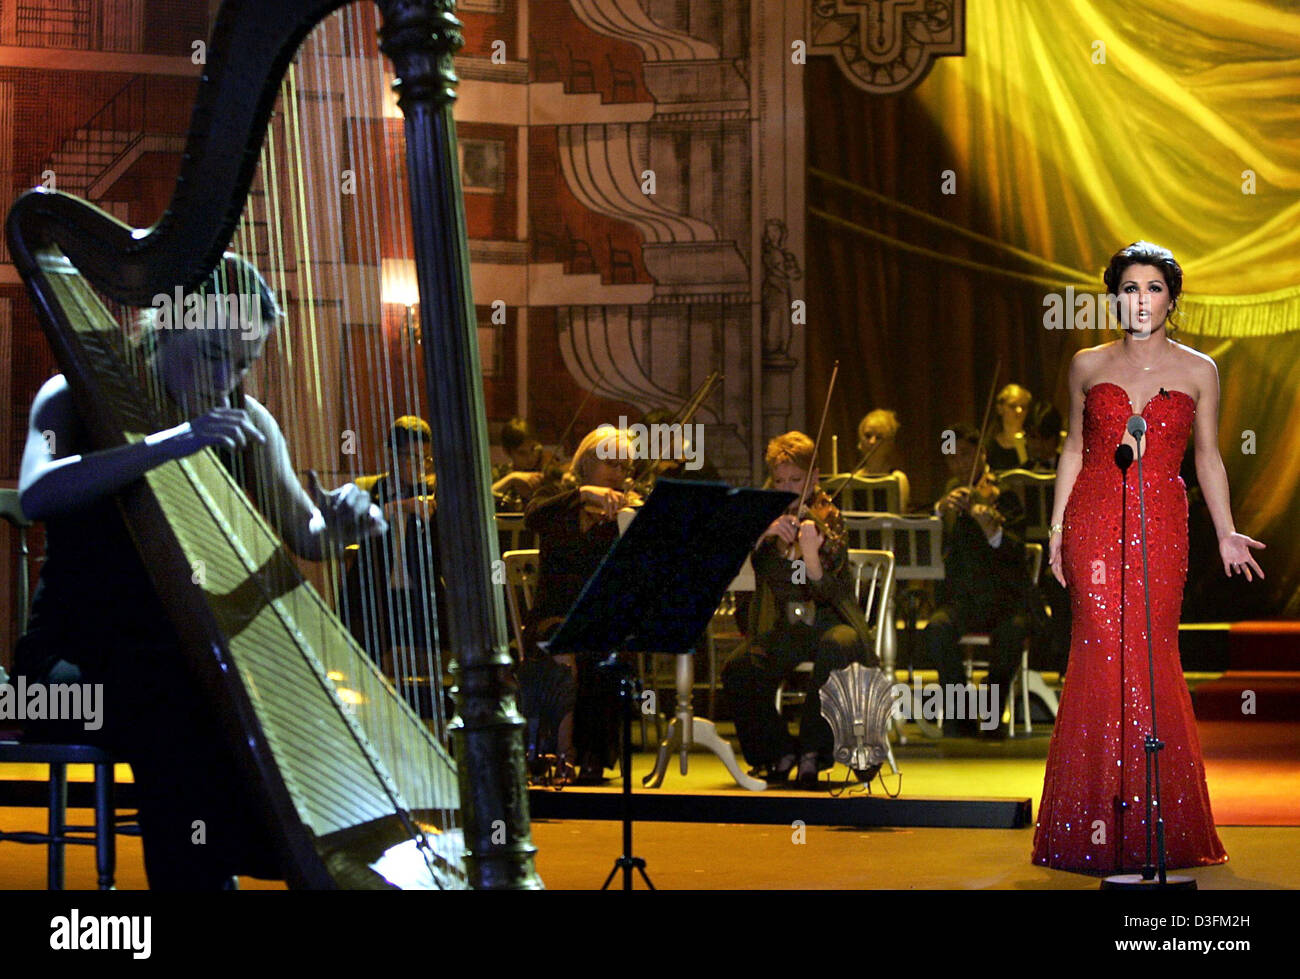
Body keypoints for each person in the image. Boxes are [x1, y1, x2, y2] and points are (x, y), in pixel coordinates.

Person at [12, 255, 387, 889]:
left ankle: (293, 859)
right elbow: (36, 494)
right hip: (62, 678)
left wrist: (346, 526)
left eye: (243, 363)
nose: (225, 378)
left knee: (238, 697)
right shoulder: (72, 394)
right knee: (184, 701)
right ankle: (245, 863)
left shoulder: (250, 425)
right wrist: (173, 441)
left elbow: (311, 536)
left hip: (184, 668)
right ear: (167, 322)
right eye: (213, 353)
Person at [1032, 241, 1265, 874]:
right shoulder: (1086, 364)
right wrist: (1055, 532)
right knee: (1102, 648)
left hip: (1162, 524)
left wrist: (1226, 531)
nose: (1141, 300)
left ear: (1172, 298)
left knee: (1153, 651)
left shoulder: (1200, 370)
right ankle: (1091, 824)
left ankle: (1156, 826)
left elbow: (1209, 457)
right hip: (1093, 522)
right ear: (1115, 297)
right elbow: (1075, 451)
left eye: (1153, 288)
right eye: (1129, 289)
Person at [722, 432, 878, 787]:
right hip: (789, 626)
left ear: (815, 478)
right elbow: (770, 581)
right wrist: (764, 540)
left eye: (797, 480)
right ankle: (777, 751)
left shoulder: (830, 518)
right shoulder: (771, 519)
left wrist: (810, 555)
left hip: (832, 621)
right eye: (780, 481)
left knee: (836, 646)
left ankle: (813, 750)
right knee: (739, 667)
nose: (789, 489)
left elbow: (830, 592)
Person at [521, 426, 636, 783]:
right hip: (552, 616)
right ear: (586, 462)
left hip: (601, 619)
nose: (617, 473)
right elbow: (533, 516)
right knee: (564, 643)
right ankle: (563, 753)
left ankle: (584, 754)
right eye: (609, 463)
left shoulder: (628, 507)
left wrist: (628, 520)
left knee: (602, 647)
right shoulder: (558, 496)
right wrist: (582, 494)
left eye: (623, 466)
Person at [929, 429, 1032, 736]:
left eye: (967, 455)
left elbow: (1018, 551)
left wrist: (992, 530)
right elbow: (939, 545)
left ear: (983, 456)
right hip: (964, 600)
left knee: (1013, 631)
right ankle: (960, 714)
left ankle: (990, 711)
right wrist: (939, 511)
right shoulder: (951, 494)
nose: (960, 464)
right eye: (954, 457)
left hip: (1003, 599)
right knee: (937, 628)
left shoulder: (1006, 493)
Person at [341, 417, 447, 696]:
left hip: (419, 598)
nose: (421, 466)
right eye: (412, 457)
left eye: (426, 458)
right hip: (375, 597)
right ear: (391, 455)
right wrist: (402, 506)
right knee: (358, 657)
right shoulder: (369, 489)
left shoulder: (435, 494)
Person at [986, 383, 1032, 471]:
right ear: (1000, 408)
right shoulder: (989, 446)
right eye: (1013, 406)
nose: (1019, 411)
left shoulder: (1033, 443)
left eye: (1023, 407)